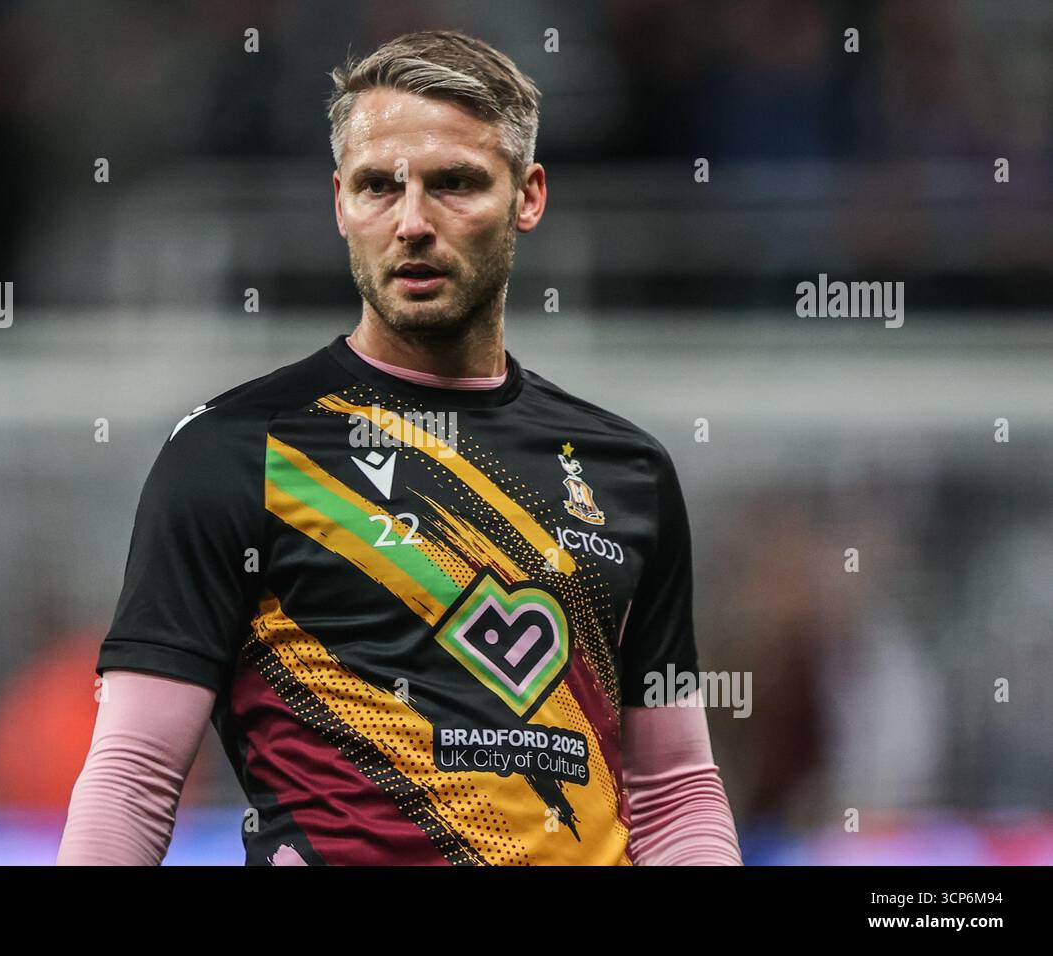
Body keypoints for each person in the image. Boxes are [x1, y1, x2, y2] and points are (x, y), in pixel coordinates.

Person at [58, 29, 741, 865]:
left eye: (455, 183)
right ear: (341, 200)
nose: (413, 222)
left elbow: (675, 794)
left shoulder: (628, 472)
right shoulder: (234, 453)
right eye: (381, 187)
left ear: (528, 196)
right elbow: (133, 779)